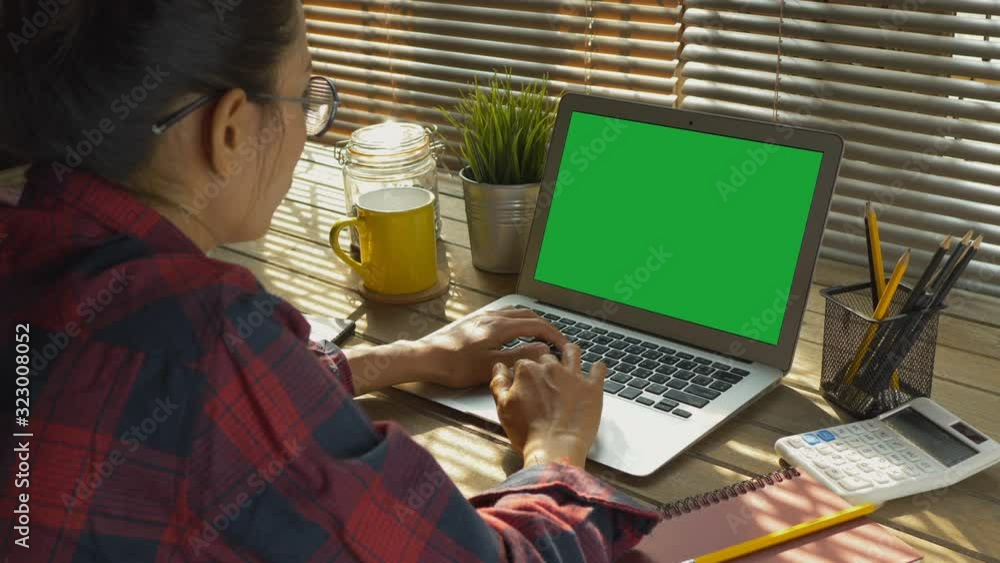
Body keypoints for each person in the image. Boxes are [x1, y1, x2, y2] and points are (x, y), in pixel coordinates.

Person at [0, 1, 660, 560]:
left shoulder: (24, 247)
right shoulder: (213, 340)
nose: (307, 127)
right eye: (305, 97)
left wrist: (407, 356)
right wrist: (558, 445)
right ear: (229, 130)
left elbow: (190, 405)